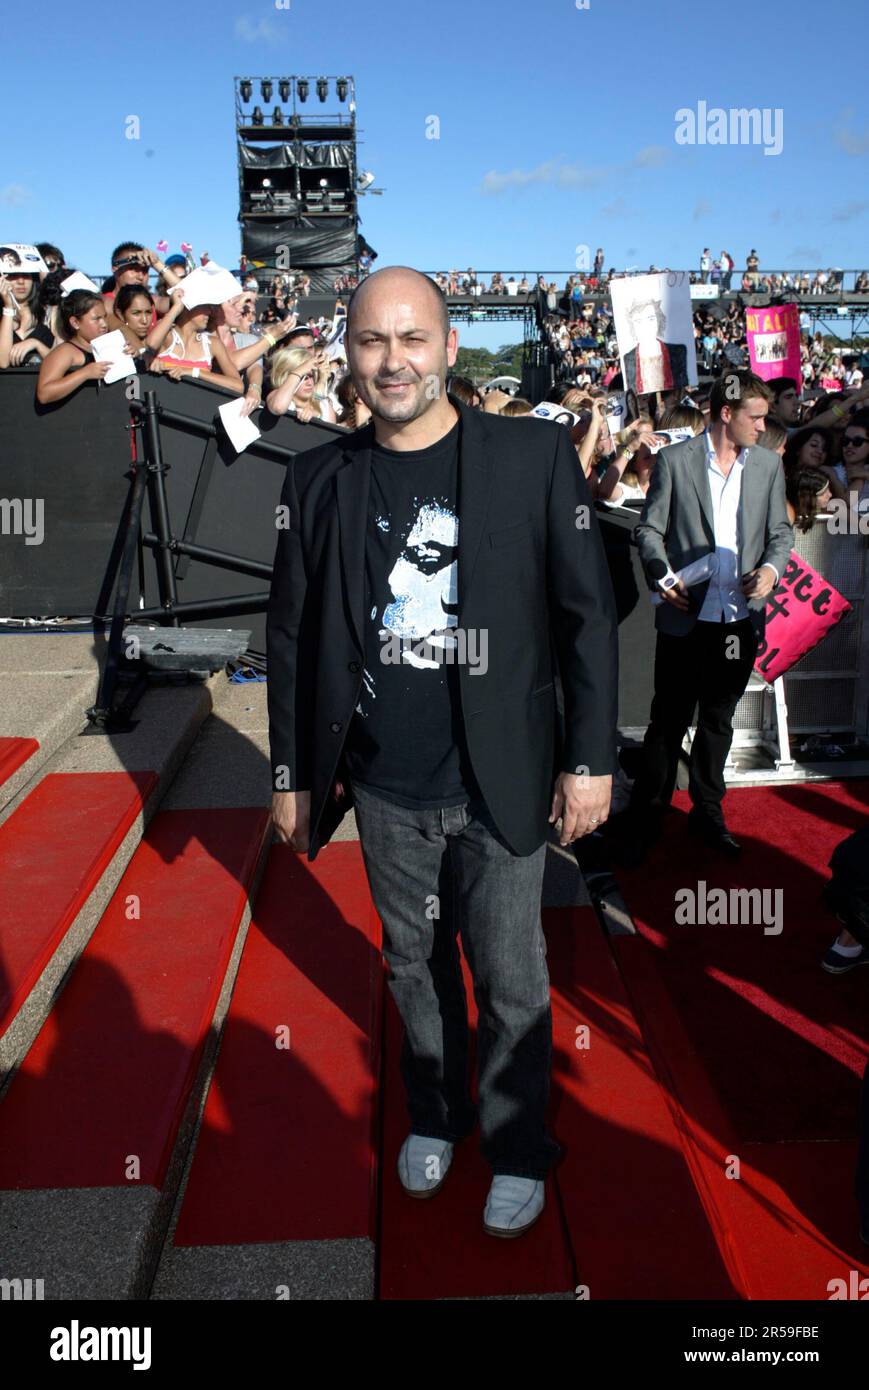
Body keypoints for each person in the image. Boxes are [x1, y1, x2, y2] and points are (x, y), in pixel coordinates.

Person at [266, 264, 618, 1237]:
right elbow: (291, 634)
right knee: (410, 965)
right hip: (382, 783)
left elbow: (586, 616)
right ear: (349, 354)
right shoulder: (317, 477)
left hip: (500, 779)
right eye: (373, 340)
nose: (392, 360)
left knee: (510, 975)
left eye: (411, 338)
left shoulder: (531, 457)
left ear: (448, 349)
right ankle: (434, 1114)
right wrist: (292, 773)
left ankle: (515, 1146)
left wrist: (588, 759)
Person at [611, 370, 793, 865]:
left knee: (719, 718)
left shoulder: (767, 469)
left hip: (737, 621)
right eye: (755, 417)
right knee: (666, 721)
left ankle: (708, 809)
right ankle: (648, 816)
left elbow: (781, 532)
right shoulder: (675, 462)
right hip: (685, 615)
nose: (764, 427)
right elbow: (649, 532)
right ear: (727, 414)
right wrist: (661, 574)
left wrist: (773, 571)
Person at [36, 289, 130, 404]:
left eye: (105, 317)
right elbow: (44, 394)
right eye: (96, 319)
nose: (104, 324)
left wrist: (129, 355)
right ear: (75, 323)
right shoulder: (66, 352)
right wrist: (85, 373)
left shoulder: (109, 346)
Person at [146, 290, 243, 393]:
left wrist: (195, 372)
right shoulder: (166, 336)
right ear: (189, 307)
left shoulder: (213, 344)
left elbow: (238, 386)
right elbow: (150, 344)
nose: (209, 311)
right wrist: (176, 308)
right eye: (205, 306)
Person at [622, 297, 689, 395]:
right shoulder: (628, 358)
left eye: (651, 319)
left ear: (658, 320)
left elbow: (682, 385)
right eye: (638, 321)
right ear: (633, 326)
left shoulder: (677, 351)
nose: (646, 325)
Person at [265, 344, 336, 422]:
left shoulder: (324, 406)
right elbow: (278, 408)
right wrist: (299, 372)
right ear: (285, 377)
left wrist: (313, 415)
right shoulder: (277, 395)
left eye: (311, 376)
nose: (309, 383)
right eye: (303, 378)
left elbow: (317, 397)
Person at [0, 267, 53, 367]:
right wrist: (8, 307)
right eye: (13, 275)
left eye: (26, 275)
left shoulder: (48, 315)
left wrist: (36, 344)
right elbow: (3, 362)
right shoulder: (4, 317)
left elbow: (59, 363)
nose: (21, 281)